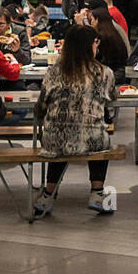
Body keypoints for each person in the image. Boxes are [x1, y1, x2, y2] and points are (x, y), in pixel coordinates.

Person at [32, 24, 119, 217]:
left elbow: (40, 107)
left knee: (60, 135)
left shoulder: (54, 72)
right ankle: (97, 193)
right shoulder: (104, 73)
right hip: (92, 139)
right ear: (90, 45)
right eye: (96, 43)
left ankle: (48, 195)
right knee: (99, 136)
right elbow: (113, 97)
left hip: (54, 139)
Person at [88, 6, 129, 82]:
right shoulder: (114, 33)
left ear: (97, 20)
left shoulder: (102, 38)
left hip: (110, 75)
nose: (91, 22)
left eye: (92, 19)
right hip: (119, 72)